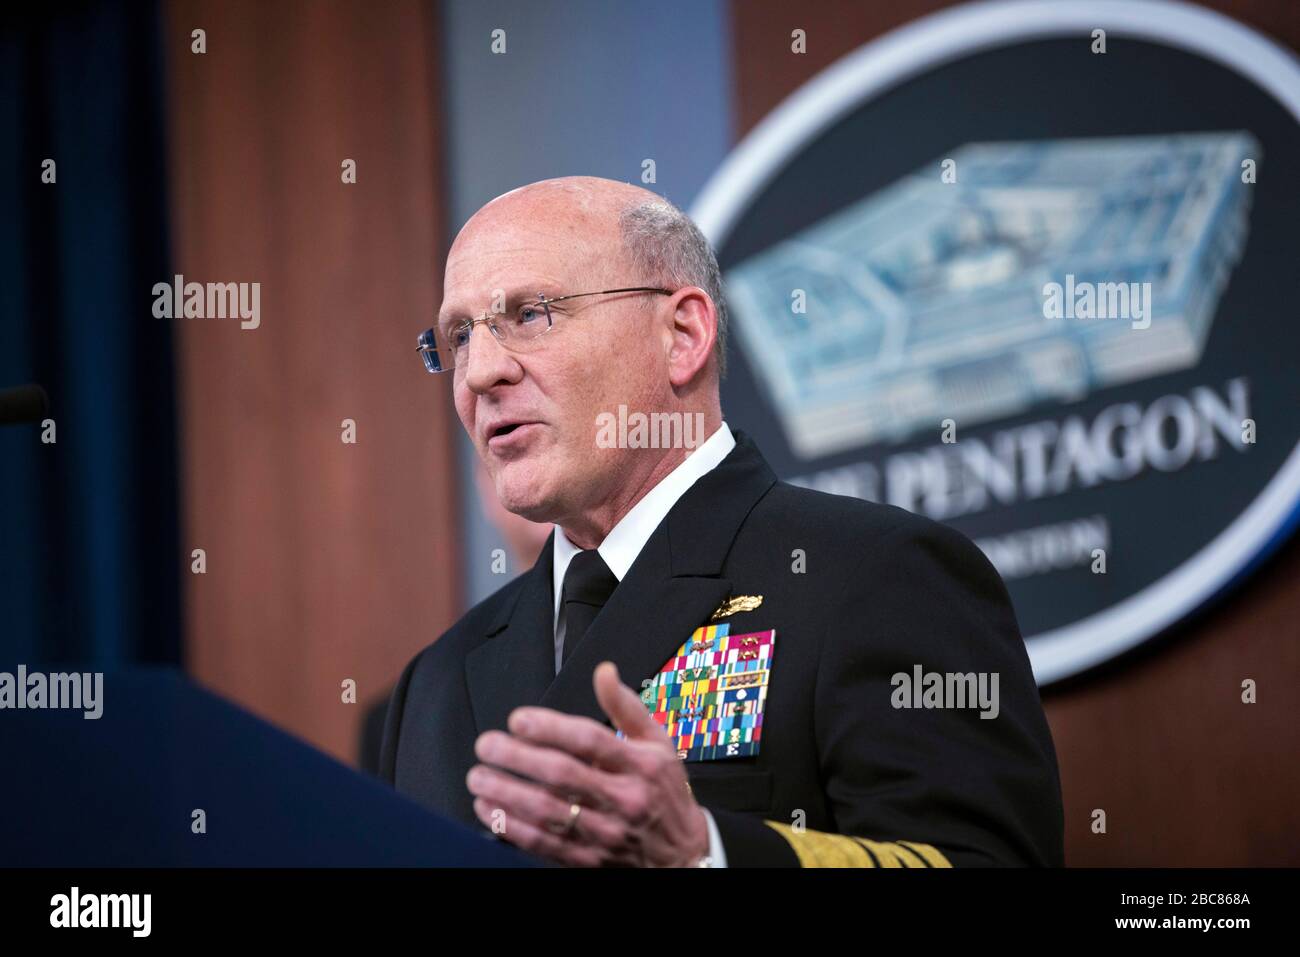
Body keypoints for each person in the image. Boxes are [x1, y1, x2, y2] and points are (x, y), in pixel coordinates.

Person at [379, 176, 1064, 867]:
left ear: (682, 334)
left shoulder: (876, 576)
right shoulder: (432, 685)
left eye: (530, 314)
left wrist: (704, 854)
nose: (478, 372)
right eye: (459, 335)